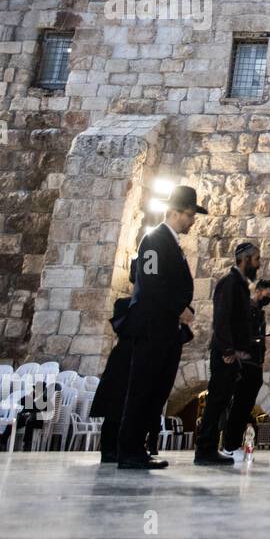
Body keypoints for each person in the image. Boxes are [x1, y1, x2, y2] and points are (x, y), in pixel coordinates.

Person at [114, 185, 204, 469]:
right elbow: (150, 283)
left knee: (157, 390)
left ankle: (140, 447)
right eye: (190, 214)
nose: (193, 220)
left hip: (166, 330)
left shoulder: (172, 242)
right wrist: (179, 309)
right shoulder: (153, 240)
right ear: (175, 212)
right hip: (152, 328)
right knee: (143, 388)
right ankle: (128, 450)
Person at [194, 242, 262, 466]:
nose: (258, 264)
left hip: (234, 355)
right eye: (256, 259)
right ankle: (204, 450)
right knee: (216, 401)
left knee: (222, 402)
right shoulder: (229, 283)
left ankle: (209, 448)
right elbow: (221, 319)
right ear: (244, 259)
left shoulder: (240, 285)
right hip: (225, 353)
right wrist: (228, 351)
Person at [219, 276, 270, 458]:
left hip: (255, 364)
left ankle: (234, 445)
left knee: (245, 408)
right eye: (267, 293)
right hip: (245, 364)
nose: (269, 297)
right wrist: (262, 339)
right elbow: (243, 337)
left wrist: (265, 338)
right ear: (258, 291)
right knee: (239, 407)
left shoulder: (259, 312)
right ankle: (229, 446)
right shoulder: (247, 310)